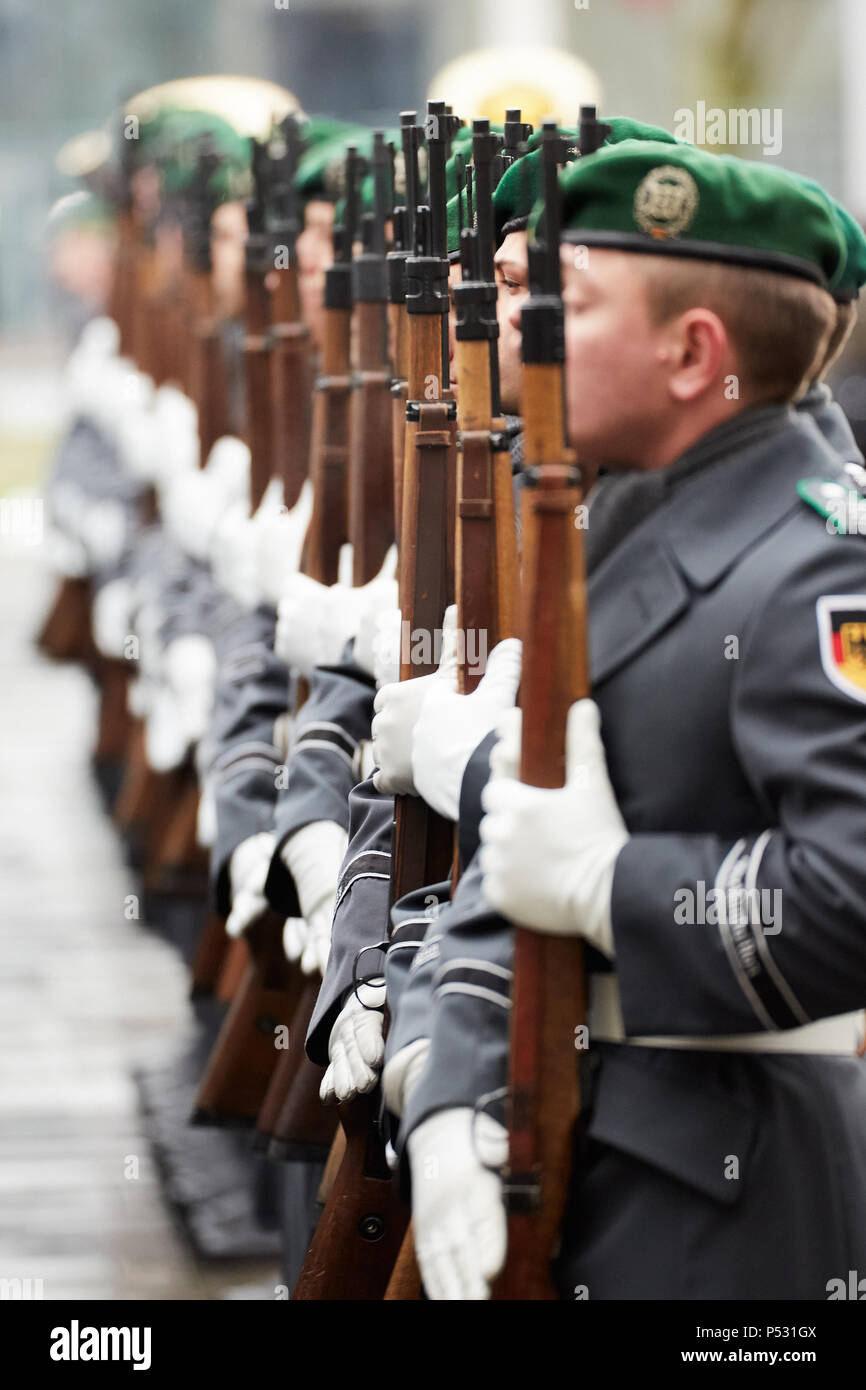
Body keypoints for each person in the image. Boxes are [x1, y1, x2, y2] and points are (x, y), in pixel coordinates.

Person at [390, 139, 866, 1300]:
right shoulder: (622, 520)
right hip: (603, 1150)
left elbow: (850, 891)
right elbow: (519, 867)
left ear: (693, 352)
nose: (523, 327)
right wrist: (455, 1091)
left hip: (736, 1194)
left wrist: (612, 883)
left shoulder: (814, 568)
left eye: (569, 301)